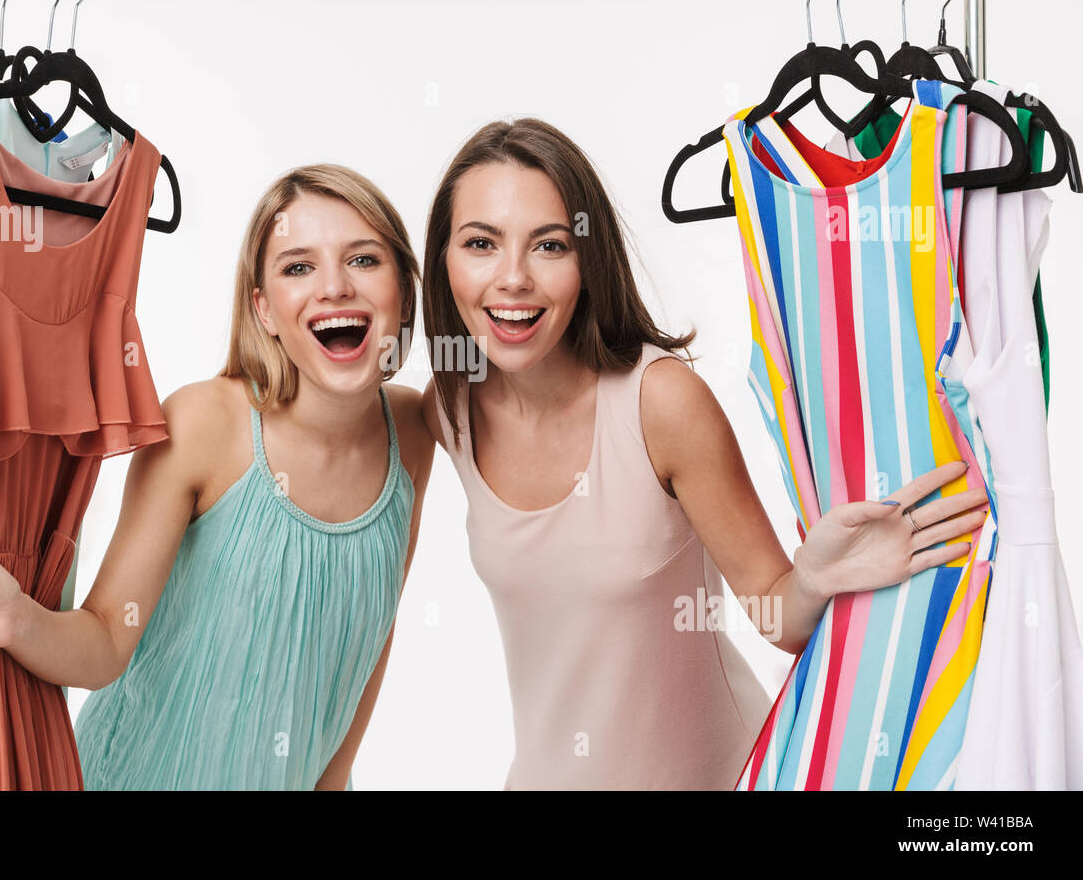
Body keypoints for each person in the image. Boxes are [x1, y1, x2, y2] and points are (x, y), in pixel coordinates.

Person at [419, 118, 988, 789]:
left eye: (549, 245)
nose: (512, 278)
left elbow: (774, 614)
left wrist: (813, 578)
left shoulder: (660, 404)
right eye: (481, 243)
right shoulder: (451, 406)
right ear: (443, 261)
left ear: (587, 259)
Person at [0, 164, 434, 790]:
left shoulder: (413, 435)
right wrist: (15, 618)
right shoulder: (206, 424)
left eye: (364, 260)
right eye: (297, 267)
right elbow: (105, 641)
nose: (334, 287)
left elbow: (368, 643)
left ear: (403, 286)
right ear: (264, 310)